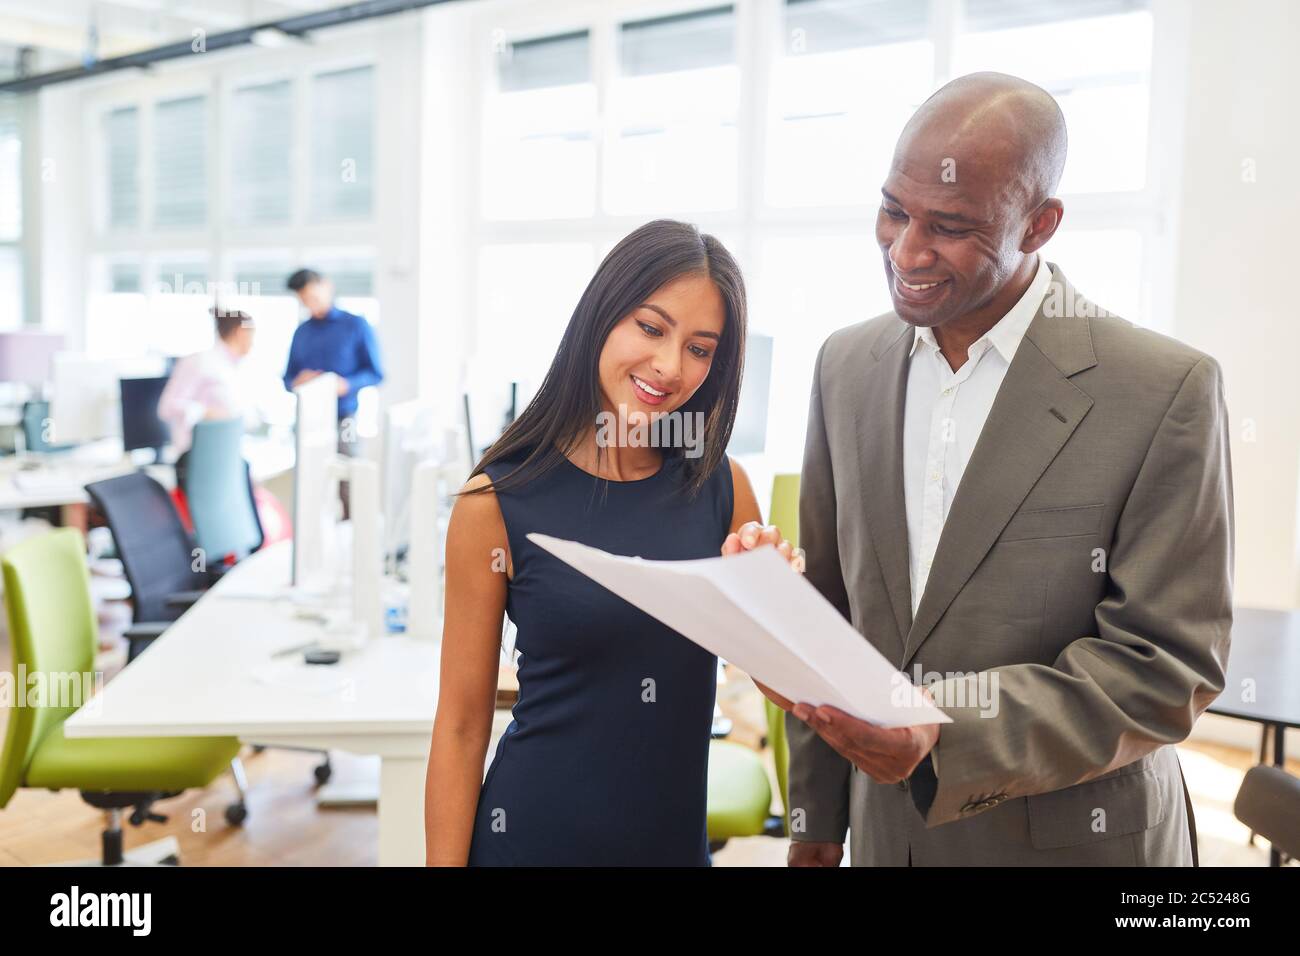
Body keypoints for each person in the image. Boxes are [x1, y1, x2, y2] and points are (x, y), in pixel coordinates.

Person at [775, 72, 1233, 867]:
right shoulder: (844, 365)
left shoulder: (1164, 389)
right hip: (887, 841)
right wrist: (816, 822)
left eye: (950, 225)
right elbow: (830, 606)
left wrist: (943, 732)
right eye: (892, 210)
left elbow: (1167, 665)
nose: (906, 251)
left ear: (1041, 223)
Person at [424, 219, 801, 866]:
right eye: (651, 328)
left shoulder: (720, 487)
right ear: (601, 317)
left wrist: (775, 599)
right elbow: (461, 727)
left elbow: (784, 686)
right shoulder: (497, 500)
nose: (669, 366)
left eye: (701, 348)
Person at [283, 268, 384, 514]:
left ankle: (354, 537)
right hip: (309, 420)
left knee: (349, 480)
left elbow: (376, 373)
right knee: (311, 482)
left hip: (344, 418)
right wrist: (298, 381)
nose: (311, 306)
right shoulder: (302, 332)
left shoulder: (356, 325)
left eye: (313, 298)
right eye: (304, 301)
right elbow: (287, 379)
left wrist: (346, 384)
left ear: (326, 286)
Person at [158, 307, 255, 466]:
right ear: (241, 332)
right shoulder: (199, 361)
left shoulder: (235, 367)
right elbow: (166, 407)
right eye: (252, 336)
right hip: (198, 458)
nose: (253, 343)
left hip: (227, 453)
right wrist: (205, 412)